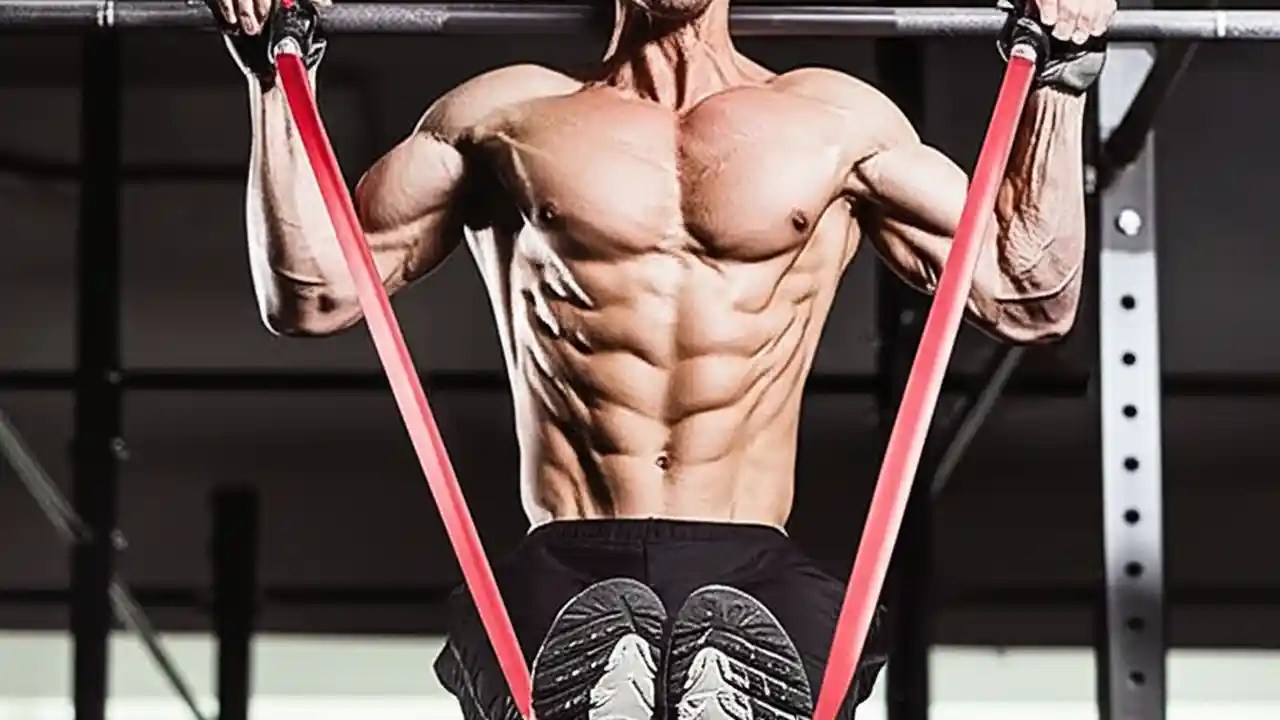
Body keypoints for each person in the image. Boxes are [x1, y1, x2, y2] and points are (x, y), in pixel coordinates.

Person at [209, 0, 1112, 717]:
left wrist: (1062, 78)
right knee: (540, 648)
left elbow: (1029, 297)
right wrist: (272, 71)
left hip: (753, 557)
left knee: (809, 640)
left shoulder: (838, 122)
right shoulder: (504, 115)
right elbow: (314, 294)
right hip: (567, 549)